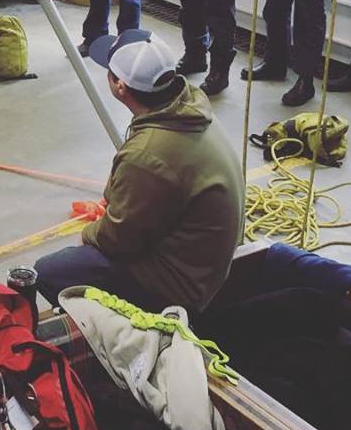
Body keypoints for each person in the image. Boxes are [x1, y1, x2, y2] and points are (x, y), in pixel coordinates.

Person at [35, 29, 245, 314]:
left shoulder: (147, 153)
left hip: (183, 289)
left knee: (51, 271)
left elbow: (117, 240)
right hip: (205, 265)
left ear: (120, 87)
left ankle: (131, 326)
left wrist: (88, 235)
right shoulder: (187, 106)